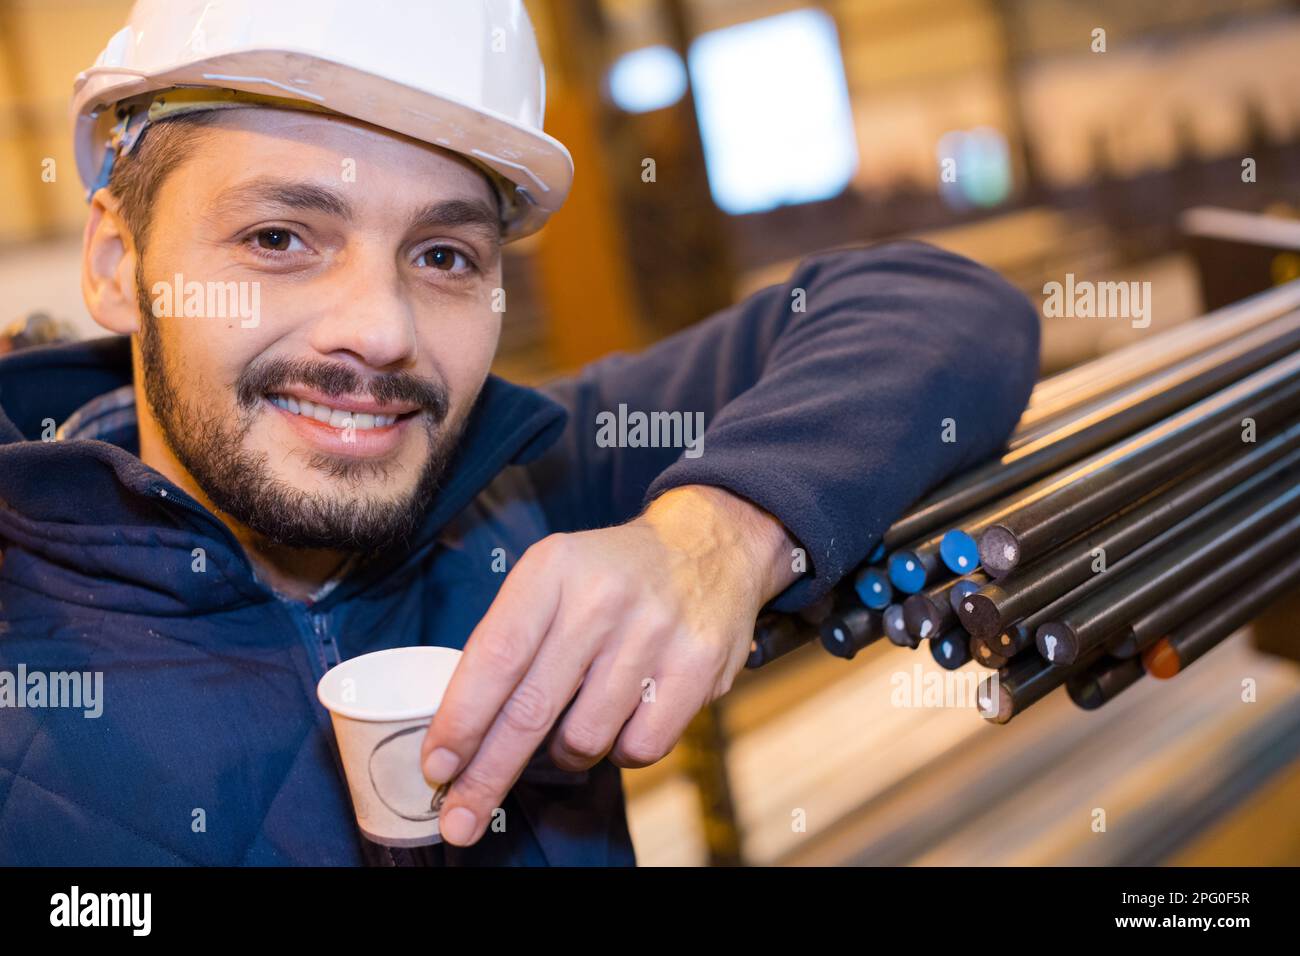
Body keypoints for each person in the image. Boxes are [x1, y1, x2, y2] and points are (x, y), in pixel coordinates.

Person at [0, 0, 1039, 865]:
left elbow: (942, 303)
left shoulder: (534, 484)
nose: (381, 330)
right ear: (113, 262)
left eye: (444, 255)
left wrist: (716, 534)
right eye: (280, 237)